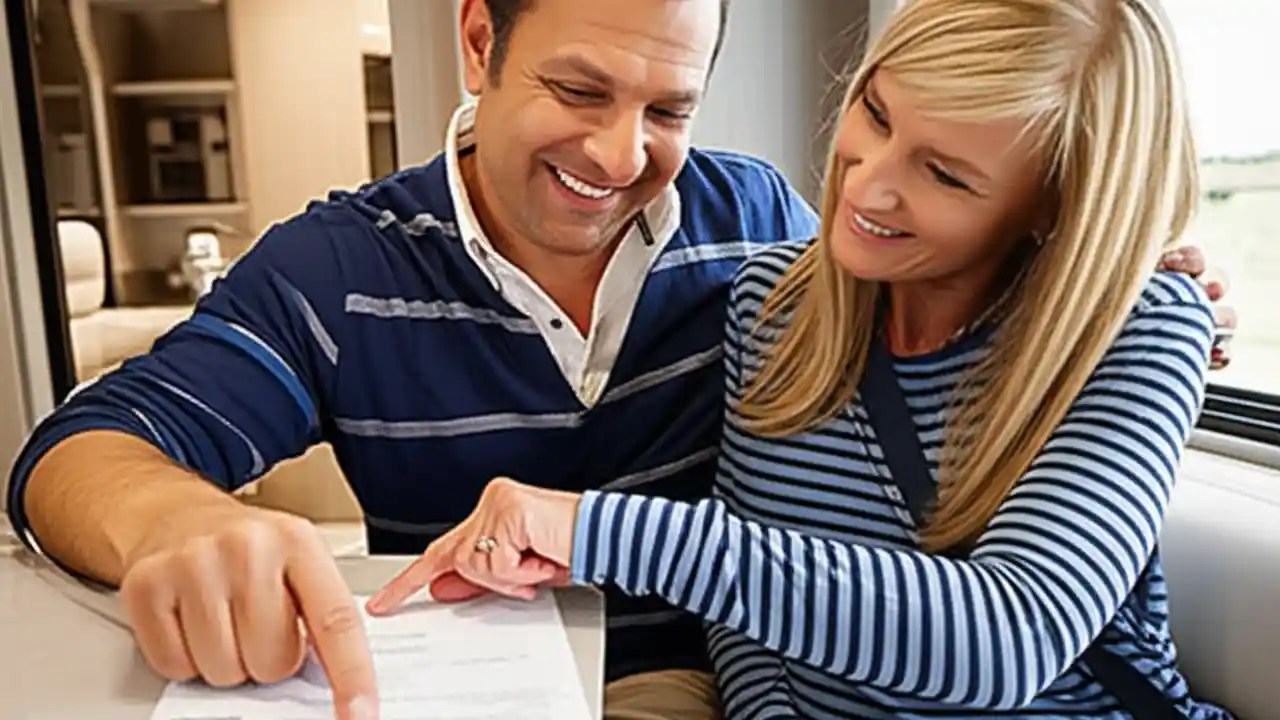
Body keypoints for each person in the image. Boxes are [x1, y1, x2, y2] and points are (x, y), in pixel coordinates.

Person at [5, 0, 1228, 718]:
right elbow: (79, 450)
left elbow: (991, 612)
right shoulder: (339, 265)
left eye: (670, 109)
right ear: (477, 41)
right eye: (576, 87)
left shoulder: (755, 234)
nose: (620, 152)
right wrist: (169, 522)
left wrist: (1102, 272)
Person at [371, 0, 1237, 718]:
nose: (865, 184)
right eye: (877, 114)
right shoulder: (775, 304)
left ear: (1053, 208)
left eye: (944, 175)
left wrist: (596, 530)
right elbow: (752, 625)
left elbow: (1007, 637)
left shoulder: (1139, 328)